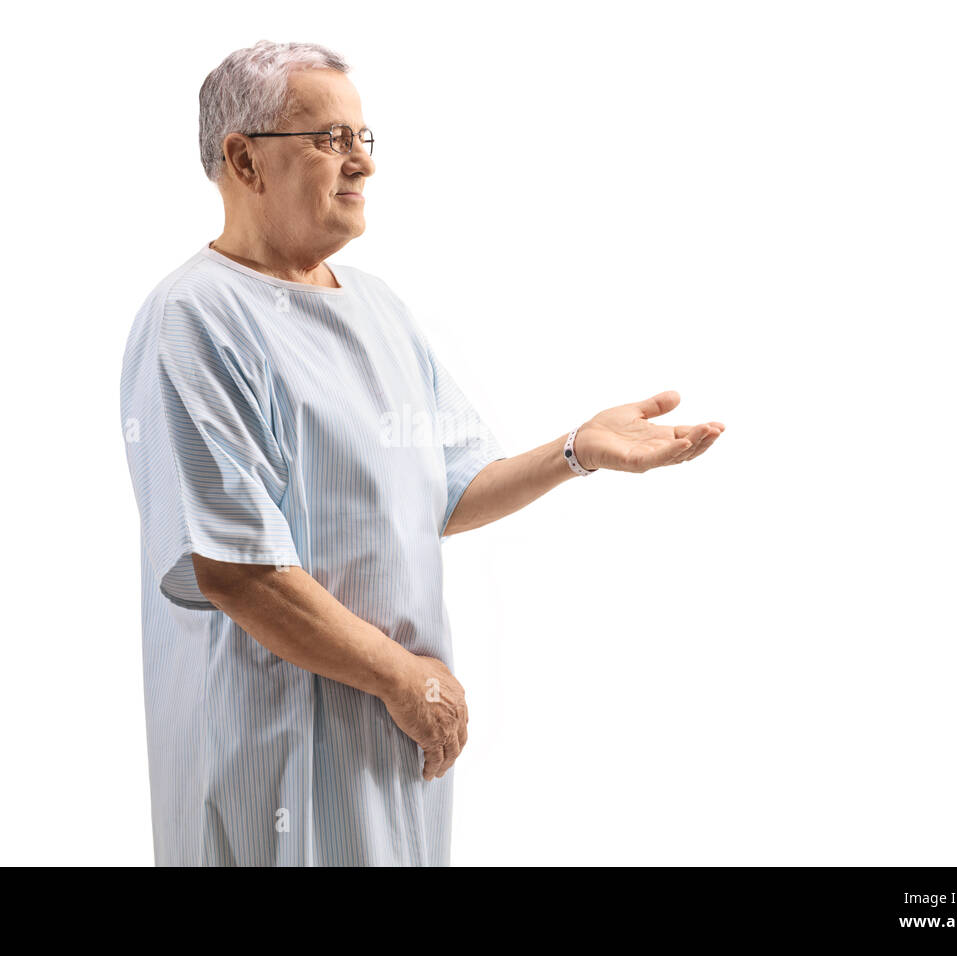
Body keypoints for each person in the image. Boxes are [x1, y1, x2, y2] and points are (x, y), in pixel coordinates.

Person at [119, 39, 725, 866]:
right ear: (243, 159)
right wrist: (407, 681)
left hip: (393, 746)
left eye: (365, 139)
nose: (361, 164)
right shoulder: (195, 320)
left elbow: (447, 487)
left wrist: (576, 450)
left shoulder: (378, 309)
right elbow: (238, 568)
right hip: (273, 754)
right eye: (329, 140)